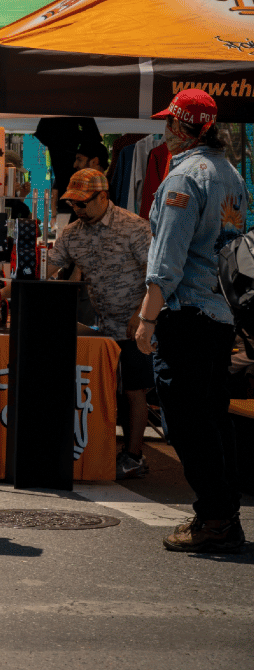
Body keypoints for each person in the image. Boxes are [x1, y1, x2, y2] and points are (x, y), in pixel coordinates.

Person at [135, 89, 247, 553]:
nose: (164, 131)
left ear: (180, 127)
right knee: (211, 419)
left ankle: (216, 518)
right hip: (221, 315)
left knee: (185, 421)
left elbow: (167, 259)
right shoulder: (230, 172)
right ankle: (221, 512)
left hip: (188, 315)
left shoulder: (184, 178)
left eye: (169, 123)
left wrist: (146, 319)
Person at [48, 168, 154, 480]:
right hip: (103, 326)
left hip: (136, 324)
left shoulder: (134, 227)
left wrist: (143, 314)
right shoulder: (72, 233)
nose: (77, 210)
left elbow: (156, 276)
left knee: (135, 391)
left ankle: (134, 455)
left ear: (103, 197)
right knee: (106, 390)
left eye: (82, 203)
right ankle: (104, 448)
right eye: (72, 204)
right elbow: (47, 268)